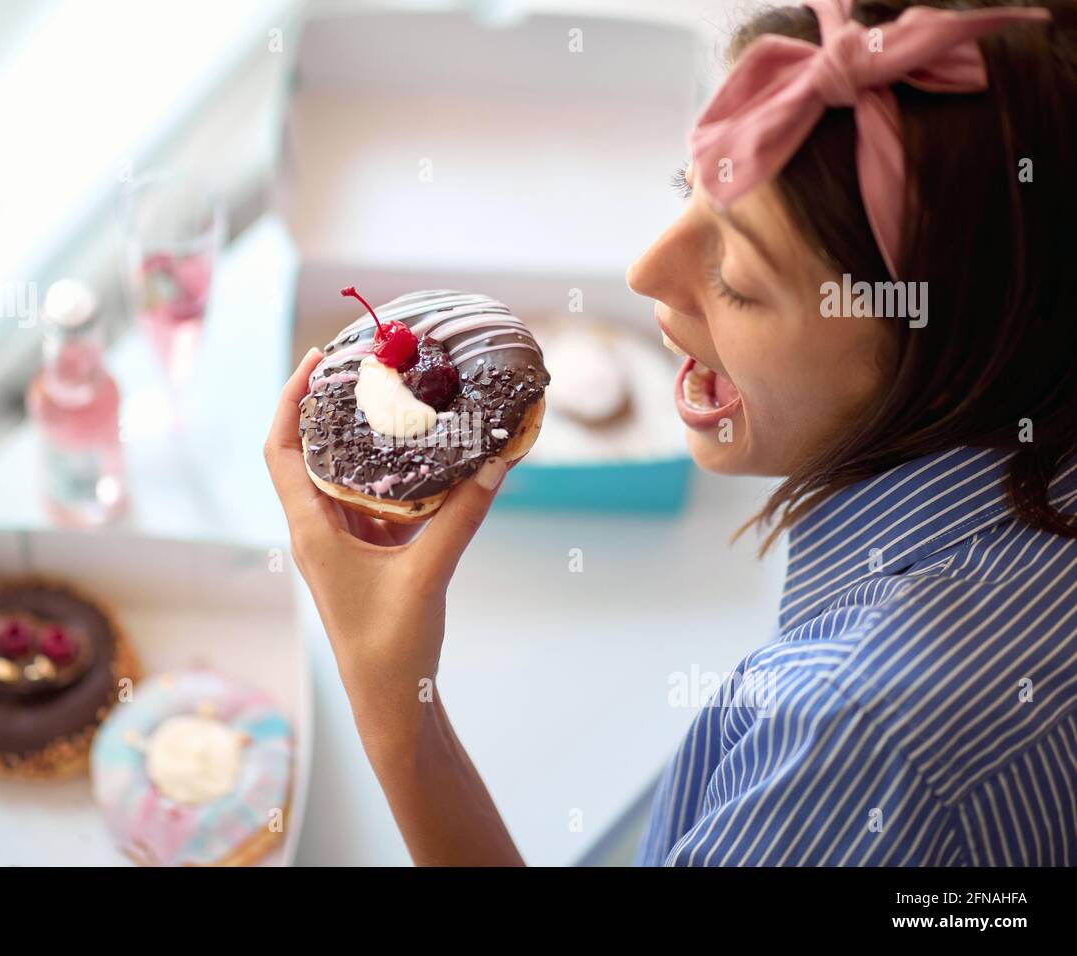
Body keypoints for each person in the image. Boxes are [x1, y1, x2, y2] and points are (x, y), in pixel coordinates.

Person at [264, 0, 1076, 865]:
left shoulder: (853, 751)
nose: (646, 270)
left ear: (945, 343)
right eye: (687, 187)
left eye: (735, 274)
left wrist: (394, 709)